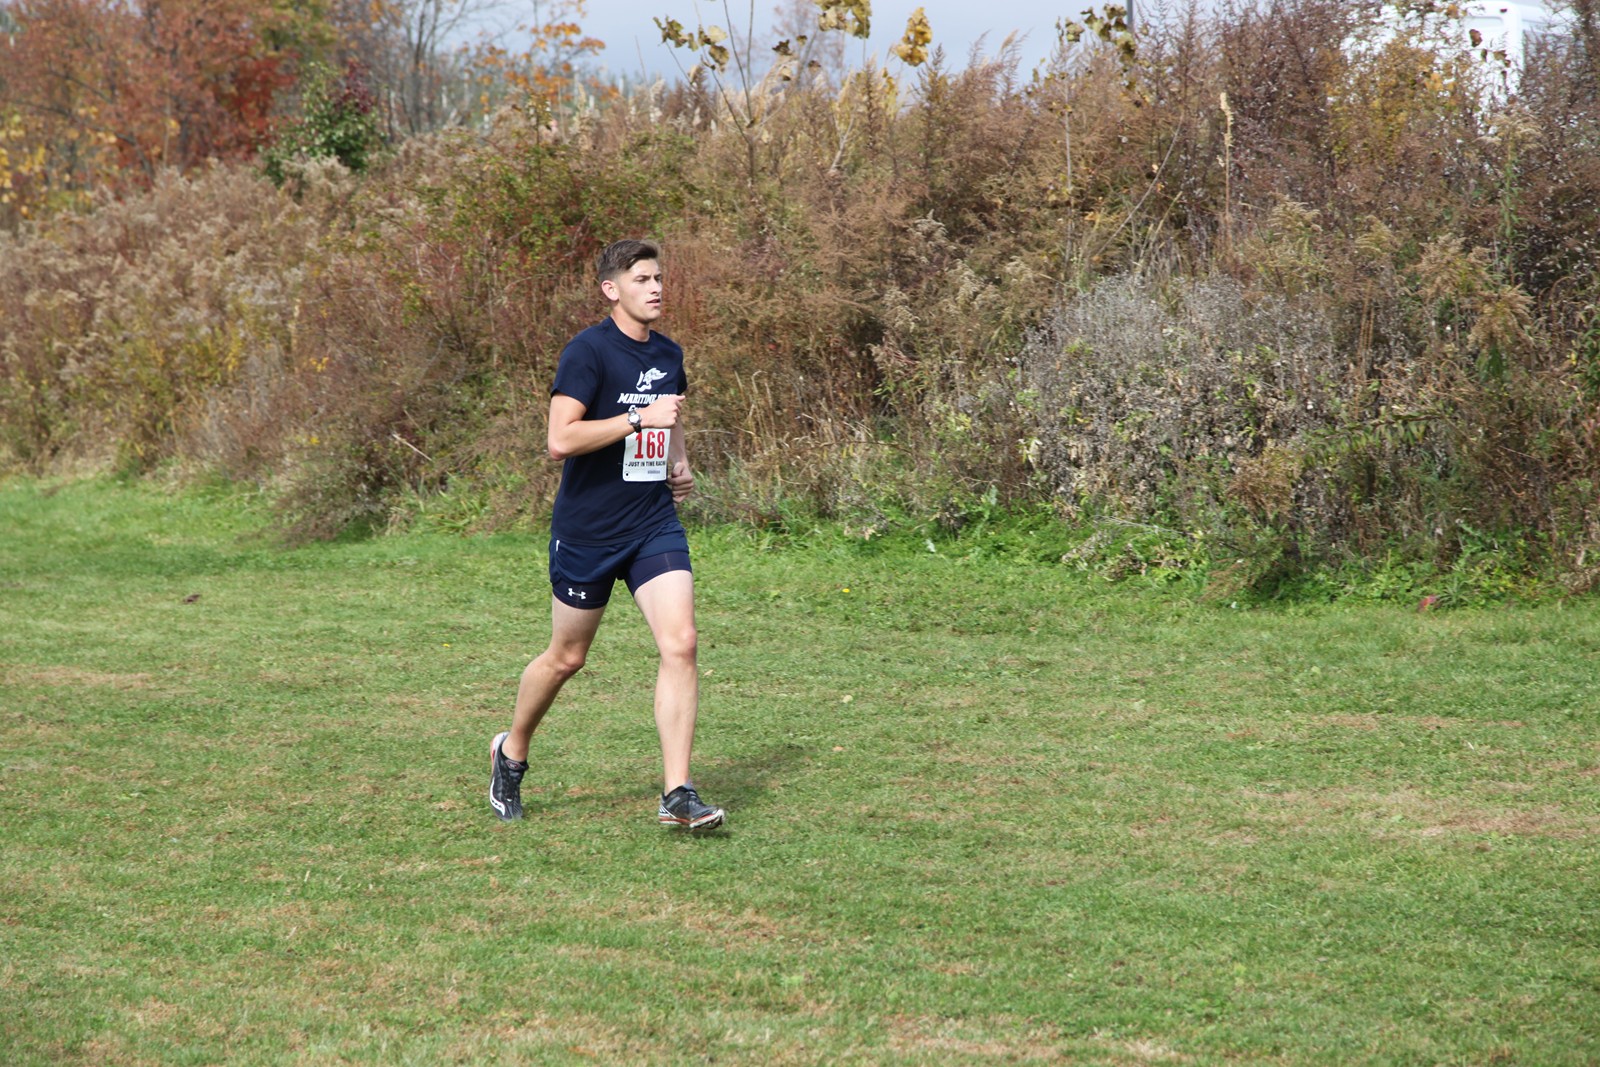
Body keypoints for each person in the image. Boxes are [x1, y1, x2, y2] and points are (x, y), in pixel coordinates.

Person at [488, 239, 725, 830]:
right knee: (567, 657)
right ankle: (511, 749)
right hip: (589, 532)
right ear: (611, 289)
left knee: (682, 642)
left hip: (651, 521)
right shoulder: (587, 353)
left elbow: (668, 413)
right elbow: (559, 441)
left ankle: (678, 793)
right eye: (643, 278)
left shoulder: (669, 352)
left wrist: (679, 458)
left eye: (660, 278)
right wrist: (639, 419)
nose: (657, 288)